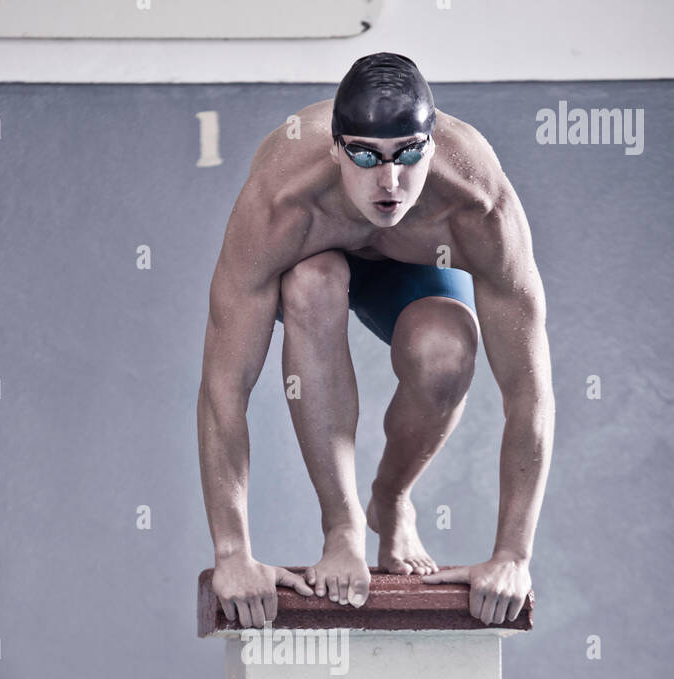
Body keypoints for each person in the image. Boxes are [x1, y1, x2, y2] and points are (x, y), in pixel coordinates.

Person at [198, 52, 554, 629]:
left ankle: (390, 499)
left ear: (432, 146)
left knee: (446, 348)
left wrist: (514, 555)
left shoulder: (478, 207)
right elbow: (223, 388)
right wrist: (233, 553)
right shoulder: (281, 205)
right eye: (365, 156)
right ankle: (342, 527)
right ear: (336, 148)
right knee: (314, 284)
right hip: (317, 261)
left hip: (418, 260)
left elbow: (530, 395)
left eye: (407, 156)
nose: (388, 182)